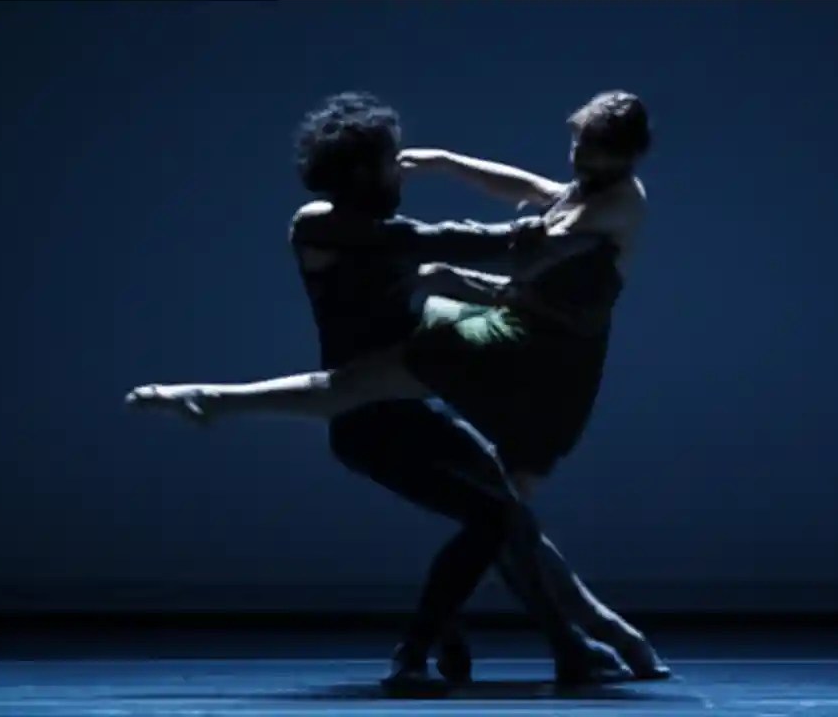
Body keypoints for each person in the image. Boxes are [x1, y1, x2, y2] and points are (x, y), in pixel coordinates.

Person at [126, 90, 655, 681]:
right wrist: (534, 241)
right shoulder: (322, 225)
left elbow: (460, 239)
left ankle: (574, 646)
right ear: (358, 172)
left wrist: (530, 267)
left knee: (509, 515)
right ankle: (422, 648)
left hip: (410, 400)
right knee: (492, 517)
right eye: (389, 163)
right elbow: (434, 241)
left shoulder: (378, 227)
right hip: (369, 422)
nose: (400, 173)